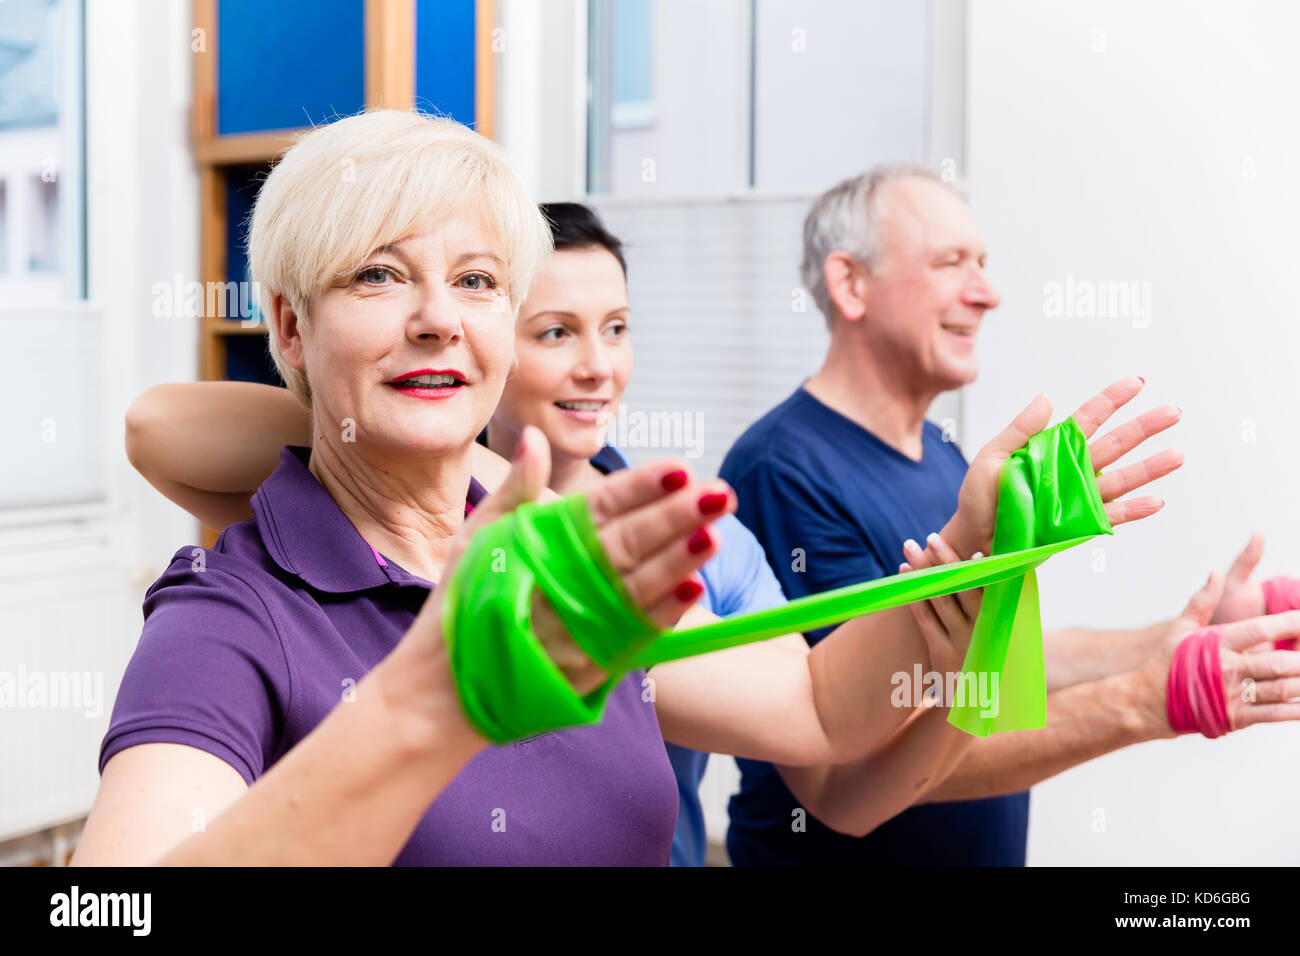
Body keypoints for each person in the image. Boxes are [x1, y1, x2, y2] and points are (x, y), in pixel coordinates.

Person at [94, 112, 1184, 866]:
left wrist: (977, 553)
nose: (437, 315)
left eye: (476, 281)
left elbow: (817, 708)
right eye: (379, 274)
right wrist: (427, 705)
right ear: (288, 323)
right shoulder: (226, 615)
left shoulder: (572, 562)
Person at [719, 163, 1300, 866]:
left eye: (985, 264)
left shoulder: (942, 455)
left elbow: (996, 661)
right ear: (851, 285)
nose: (988, 293)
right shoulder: (783, 471)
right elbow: (865, 750)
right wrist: (1150, 700)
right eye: (950, 262)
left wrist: (1183, 638)